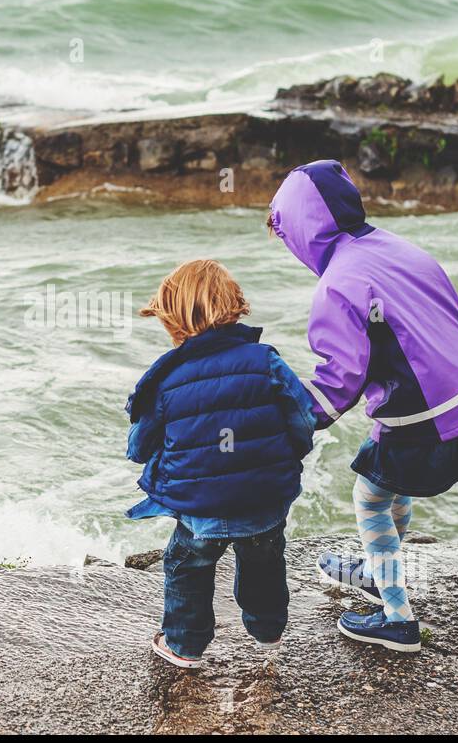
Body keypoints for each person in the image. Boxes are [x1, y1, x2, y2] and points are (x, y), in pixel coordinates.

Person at [267, 160, 458, 653]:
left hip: (424, 410)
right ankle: (375, 567)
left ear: (302, 230)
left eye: (285, 234)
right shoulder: (398, 247)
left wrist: (291, 420)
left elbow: (339, 381)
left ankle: (397, 618)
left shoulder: (338, 284)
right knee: (388, 481)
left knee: (371, 497)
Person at [125, 258, 317, 668]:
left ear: (173, 320)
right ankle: (268, 632)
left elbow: (141, 446)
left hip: (200, 507)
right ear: (235, 307)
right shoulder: (266, 361)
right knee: (263, 561)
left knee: (186, 567)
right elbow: (303, 420)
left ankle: (184, 645)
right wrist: (282, 458)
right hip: (263, 500)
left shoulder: (164, 379)